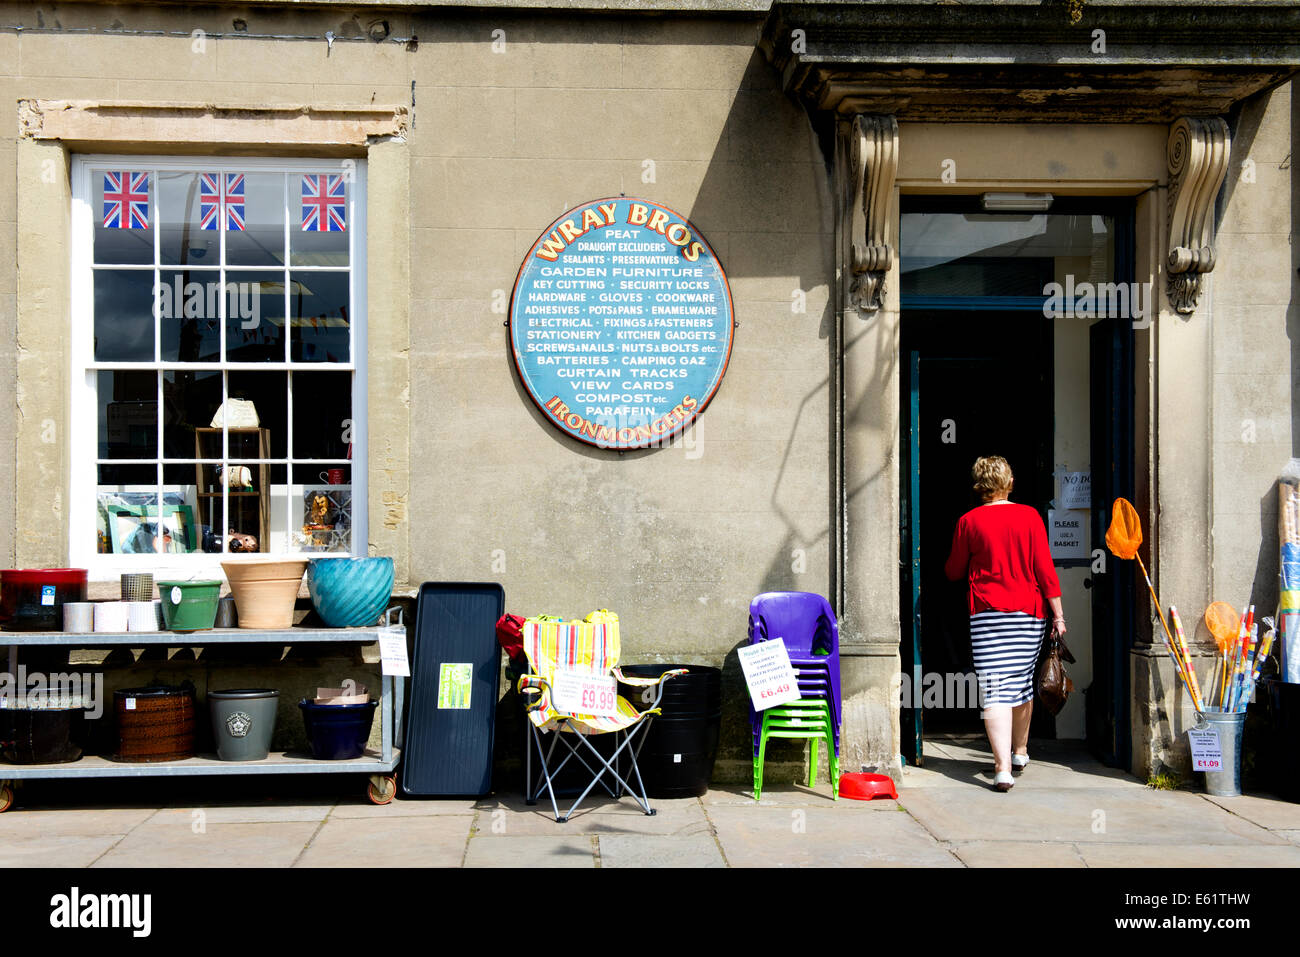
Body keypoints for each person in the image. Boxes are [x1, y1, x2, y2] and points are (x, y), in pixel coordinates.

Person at [944, 455, 1064, 792]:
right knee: (1022, 683)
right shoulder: (1030, 517)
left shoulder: (968, 521)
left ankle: (1001, 769)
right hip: (1028, 613)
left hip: (987, 613)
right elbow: (1045, 569)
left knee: (995, 689)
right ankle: (1020, 751)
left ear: (980, 487)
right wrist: (1059, 614)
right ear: (1010, 483)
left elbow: (953, 570)